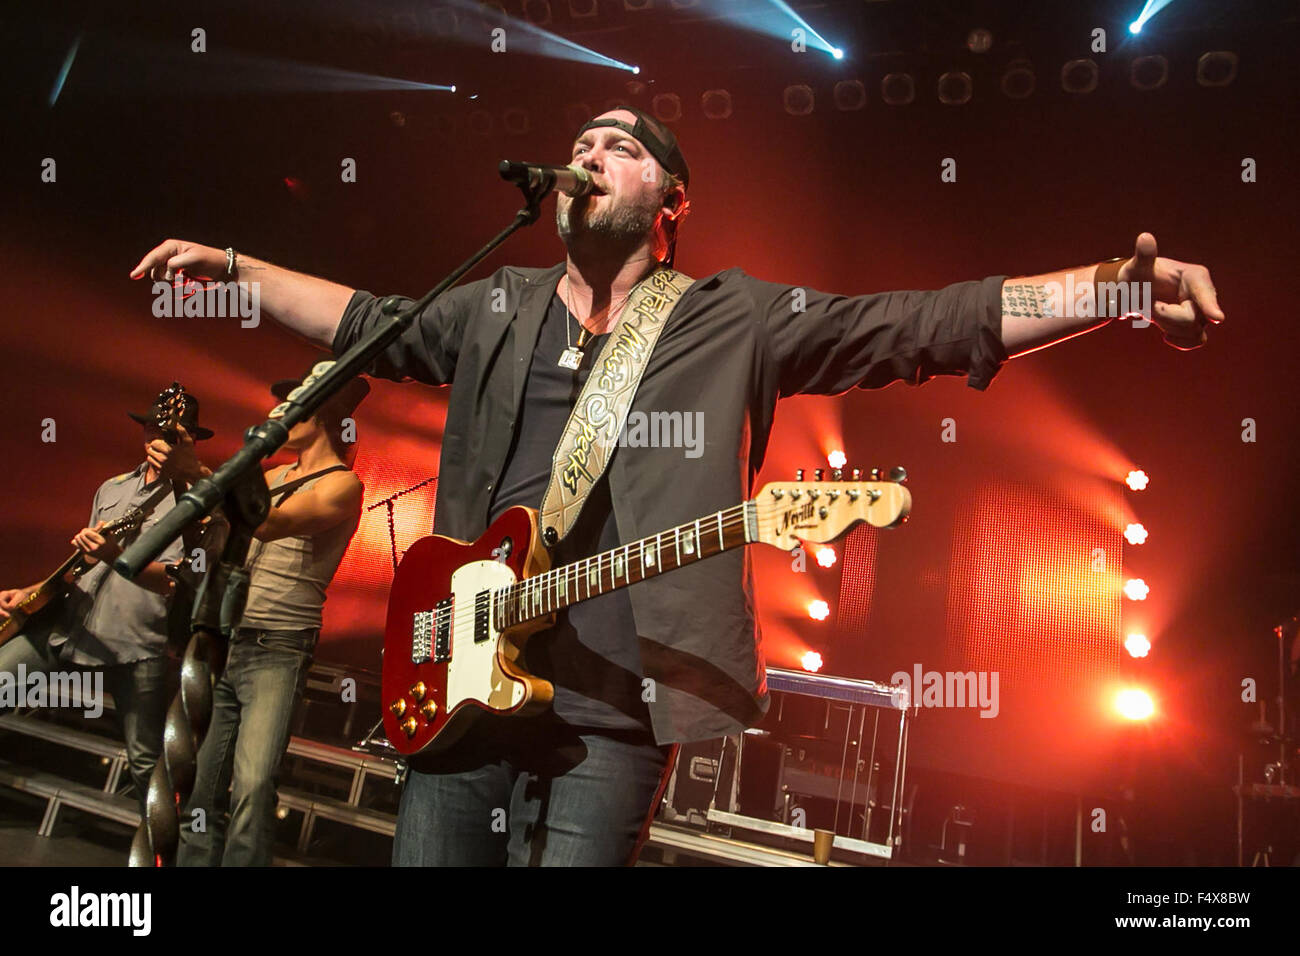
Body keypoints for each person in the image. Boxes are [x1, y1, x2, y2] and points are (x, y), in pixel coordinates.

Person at [129, 105, 1225, 866]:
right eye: (579, 142)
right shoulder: (496, 301)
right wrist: (235, 268)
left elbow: (918, 325)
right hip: (456, 681)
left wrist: (1109, 290)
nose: (589, 153)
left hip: (613, 704)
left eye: (619, 145)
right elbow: (370, 322)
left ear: (673, 199)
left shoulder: (728, 318)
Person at [169, 373, 367, 866]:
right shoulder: (272, 477)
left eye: (289, 407)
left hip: (278, 648)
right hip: (227, 639)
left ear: (317, 418)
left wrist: (196, 471)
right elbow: (223, 527)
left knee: (253, 788)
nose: (276, 414)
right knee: (202, 788)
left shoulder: (344, 483)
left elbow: (270, 523)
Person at [0, 390, 221, 814]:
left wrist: (115, 555)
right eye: (154, 430)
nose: (159, 440)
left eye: (172, 434)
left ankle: (173, 852)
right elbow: (86, 566)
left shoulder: (198, 502)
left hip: (138, 644)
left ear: (189, 440)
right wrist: (32, 589)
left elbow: (177, 582)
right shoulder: (113, 487)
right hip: (73, 625)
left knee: (146, 762)